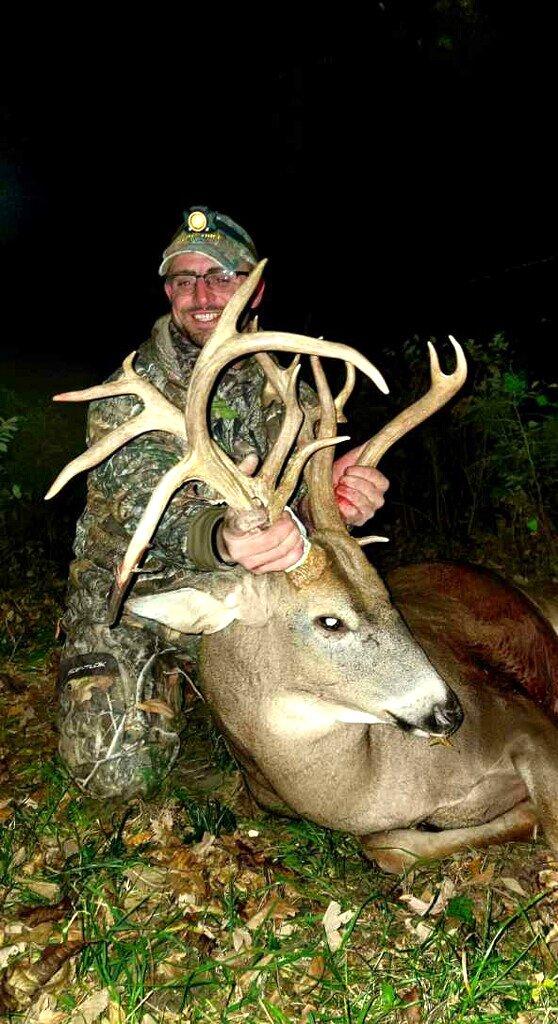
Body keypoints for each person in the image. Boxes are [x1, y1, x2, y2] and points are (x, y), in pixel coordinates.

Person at [58, 207, 389, 799]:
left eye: (221, 276)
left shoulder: (291, 393)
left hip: (253, 608)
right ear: (168, 292)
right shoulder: (129, 391)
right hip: (141, 602)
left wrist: (333, 500)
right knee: (116, 779)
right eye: (184, 280)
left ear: (254, 288)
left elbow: (305, 527)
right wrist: (222, 536)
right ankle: (180, 694)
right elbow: (137, 506)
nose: (201, 294)